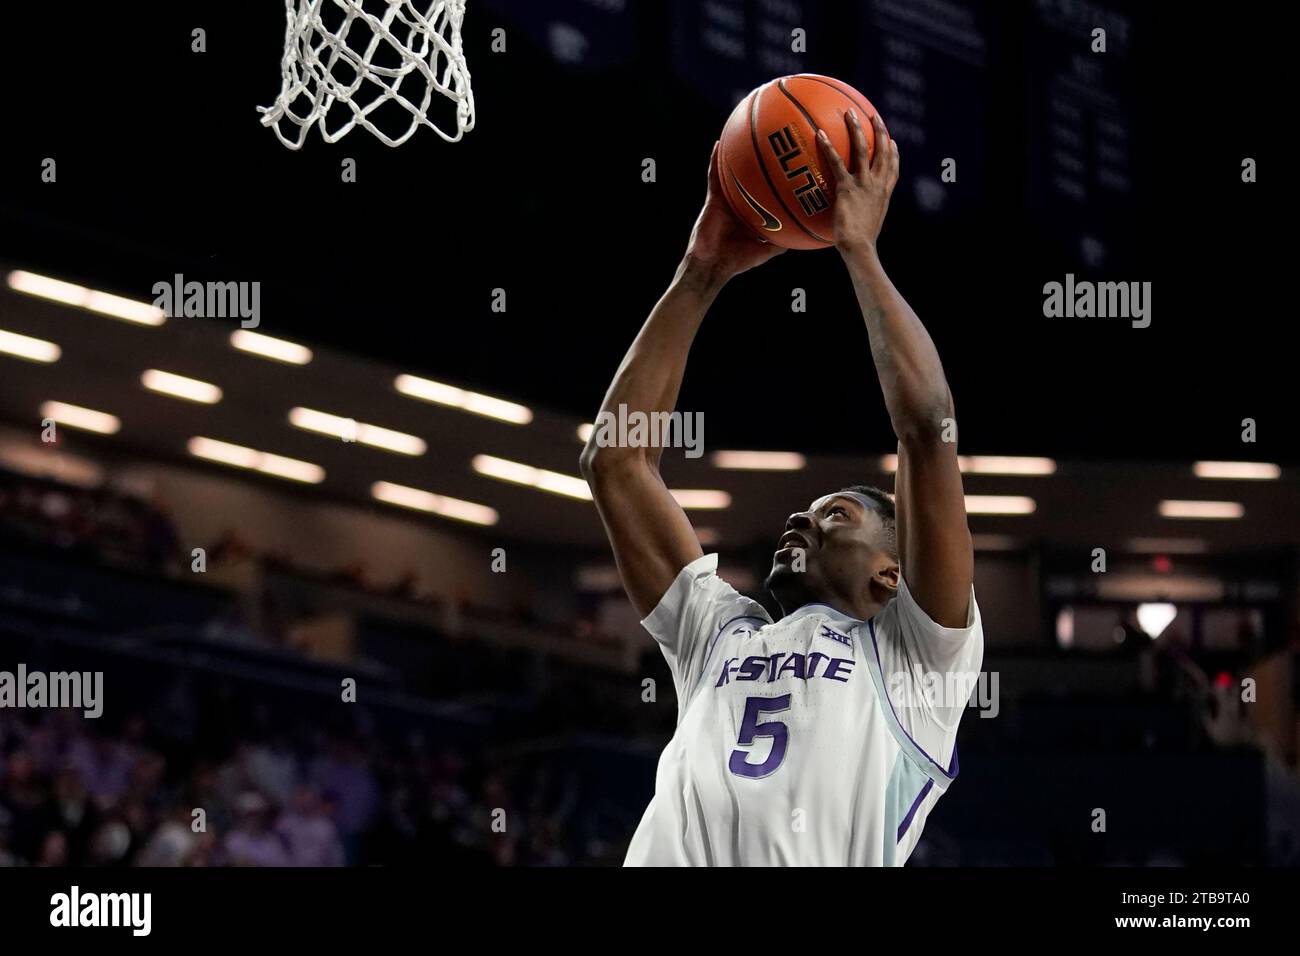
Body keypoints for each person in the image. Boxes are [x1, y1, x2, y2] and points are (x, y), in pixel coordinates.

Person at [580, 111, 982, 866]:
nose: (800, 516)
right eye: (808, 510)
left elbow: (928, 428)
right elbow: (616, 463)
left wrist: (857, 249)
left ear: (891, 573)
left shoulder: (918, 664)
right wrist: (699, 272)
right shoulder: (720, 634)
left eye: (836, 514)